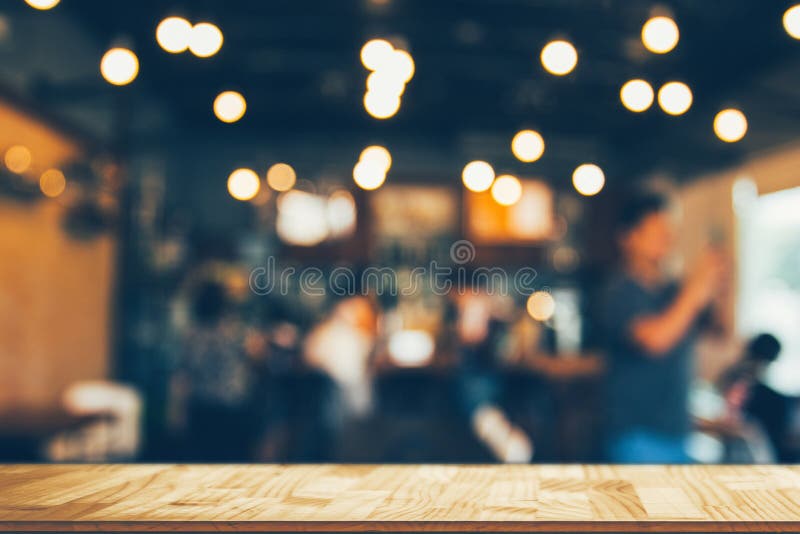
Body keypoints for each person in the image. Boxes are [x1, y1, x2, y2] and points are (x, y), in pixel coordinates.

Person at [603, 191, 727, 463]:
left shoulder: (674, 291)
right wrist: (695, 290)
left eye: (668, 230)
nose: (667, 238)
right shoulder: (619, 291)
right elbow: (655, 340)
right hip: (636, 437)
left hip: (680, 432)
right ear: (629, 237)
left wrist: (715, 284)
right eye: (656, 231)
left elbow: (720, 330)